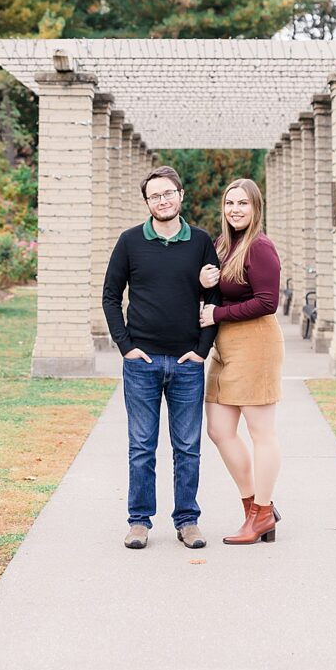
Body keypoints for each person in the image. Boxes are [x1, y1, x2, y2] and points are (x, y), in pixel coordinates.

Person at [101, 165, 221, 550]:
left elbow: (215, 299)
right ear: (147, 202)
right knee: (141, 446)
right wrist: (125, 347)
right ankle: (139, 522)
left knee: (188, 447)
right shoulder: (130, 241)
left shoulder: (201, 241)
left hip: (187, 364)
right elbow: (110, 296)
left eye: (168, 193)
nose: (163, 200)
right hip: (142, 363)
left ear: (180, 195)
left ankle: (187, 521)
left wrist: (201, 351)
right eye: (155, 196)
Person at [199, 177, 284, 545]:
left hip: (256, 343)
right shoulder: (223, 245)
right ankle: (256, 507)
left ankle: (261, 513)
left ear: (255, 208)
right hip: (226, 346)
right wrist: (204, 281)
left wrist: (217, 314)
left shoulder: (259, 247)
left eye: (243, 203)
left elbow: (268, 301)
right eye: (229, 203)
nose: (235, 209)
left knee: (261, 432)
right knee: (219, 429)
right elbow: (219, 291)